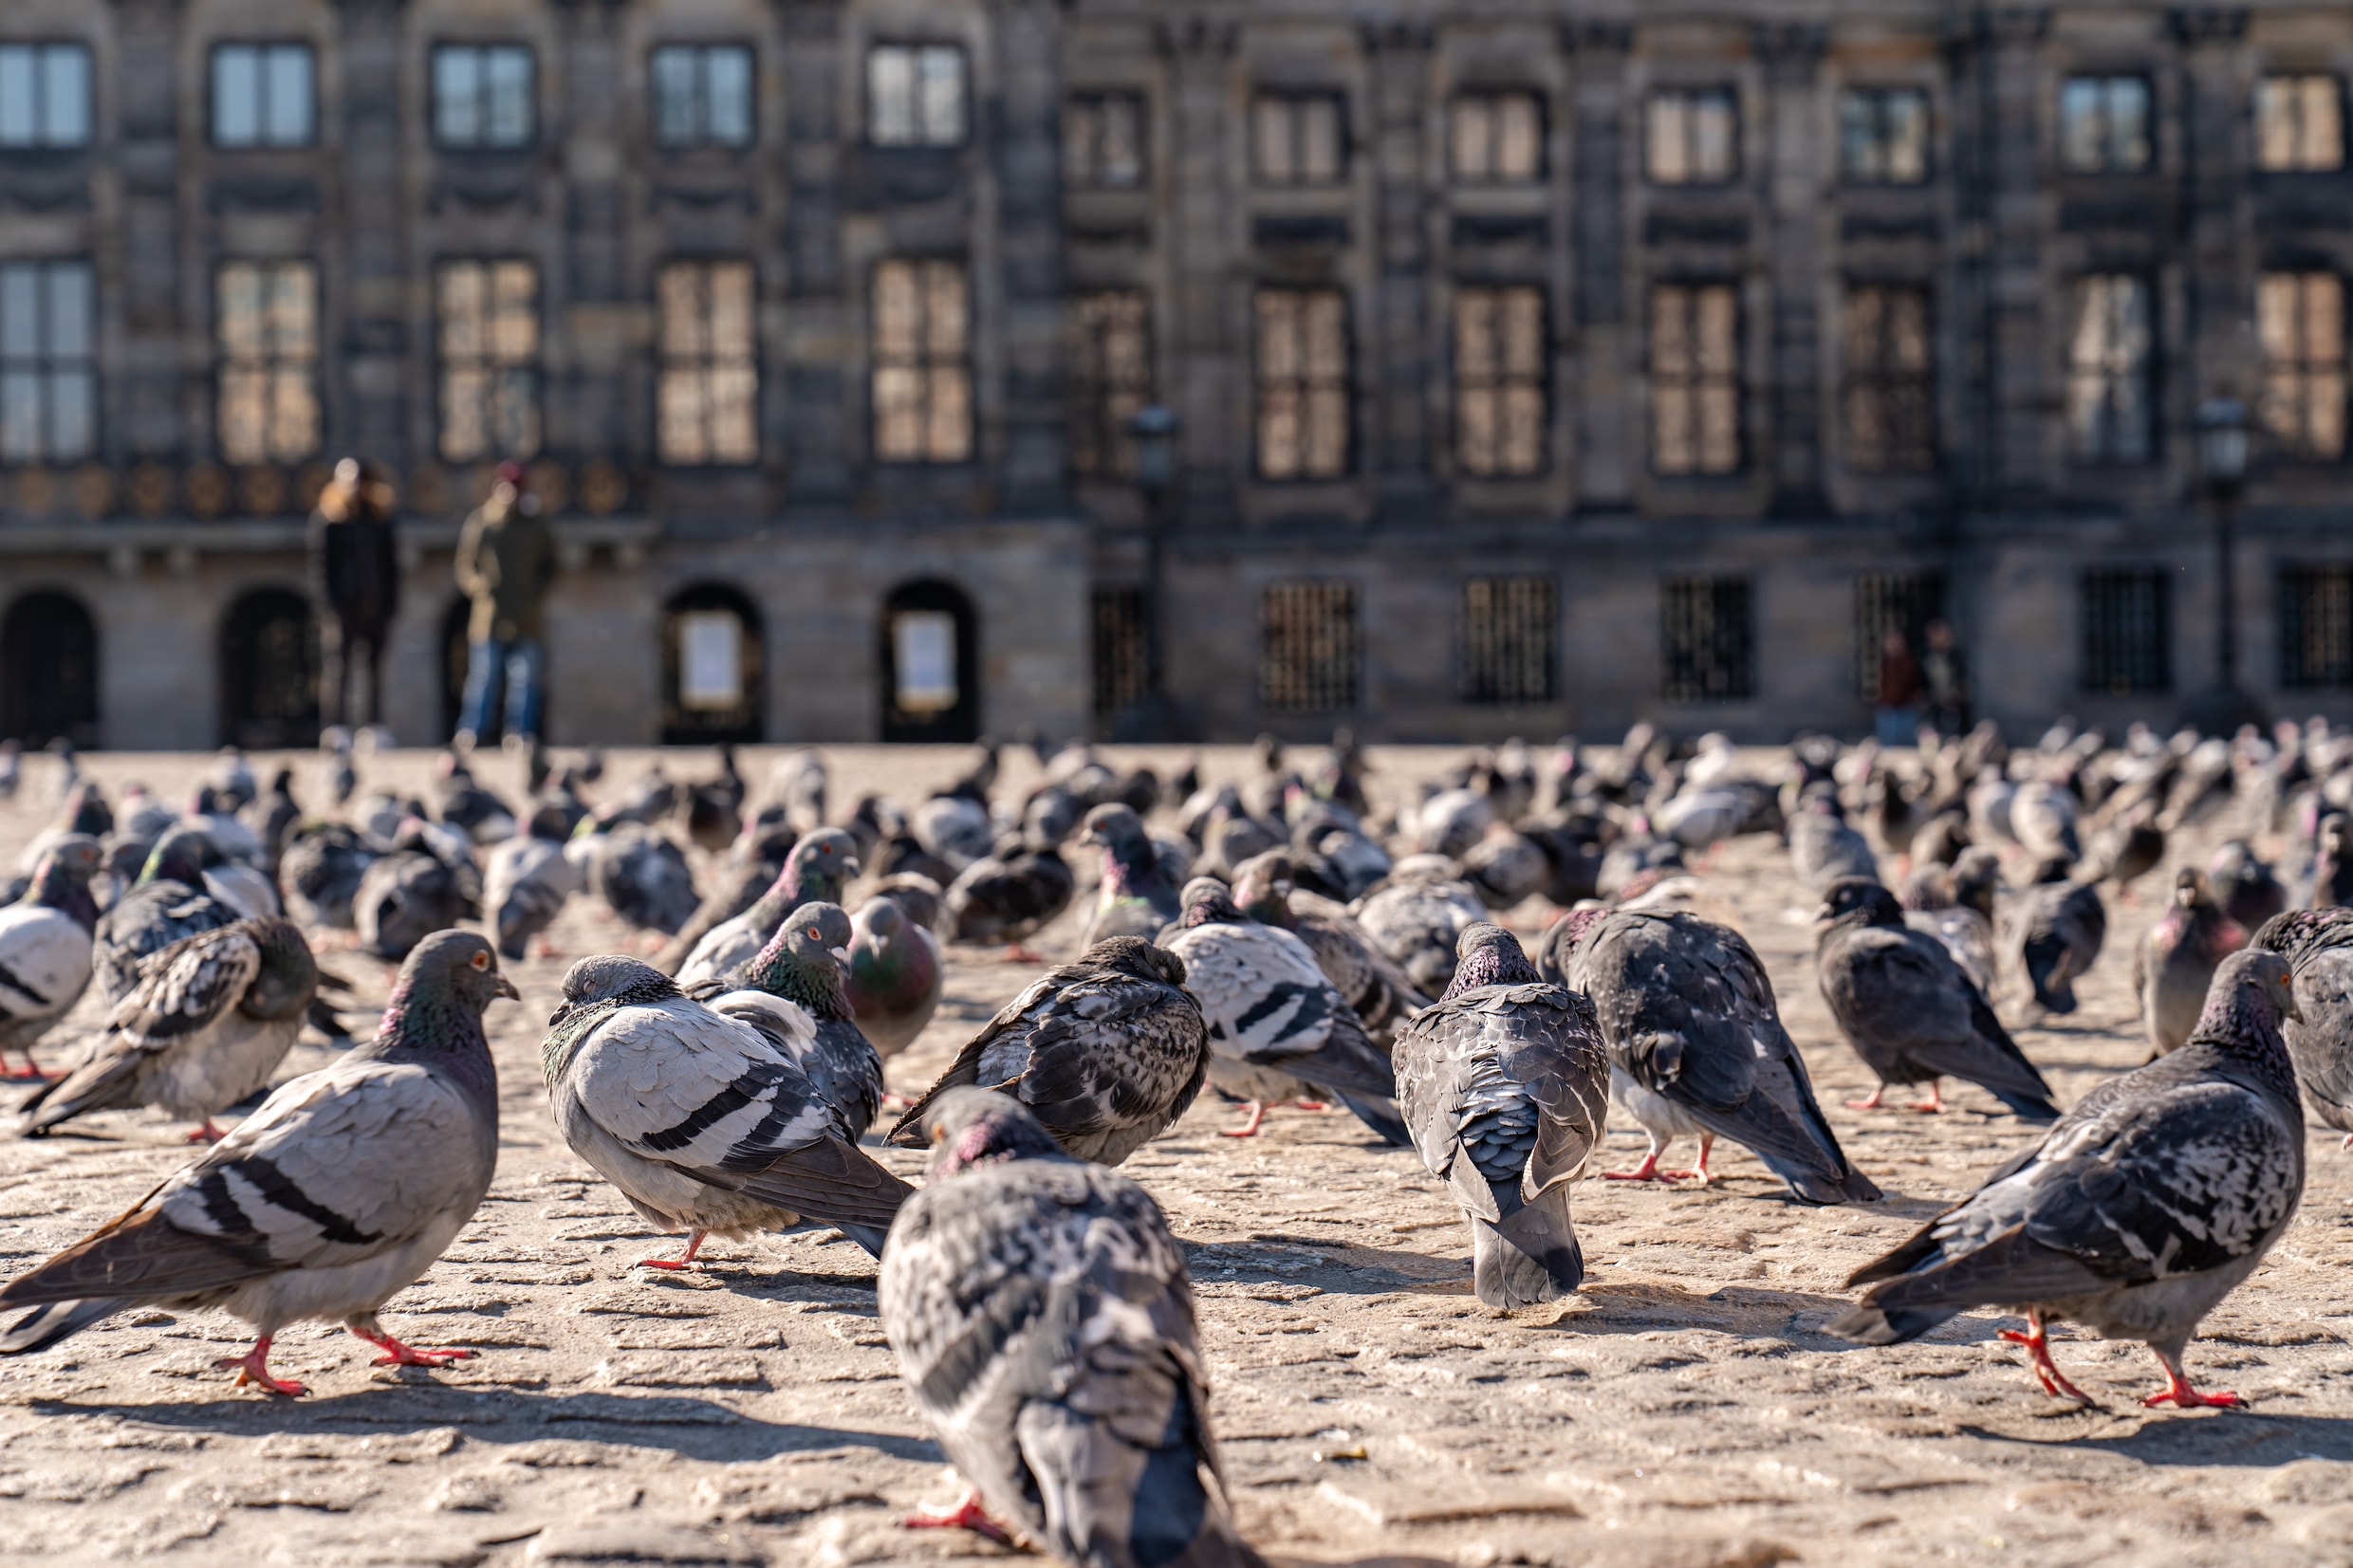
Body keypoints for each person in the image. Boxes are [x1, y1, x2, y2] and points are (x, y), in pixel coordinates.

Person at [453, 461, 557, 751]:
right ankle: (472, 730)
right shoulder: (482, 522)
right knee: (483, 678)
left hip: (526, 616)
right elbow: (465, 566)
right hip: (489, 616)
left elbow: (551, 565)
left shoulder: (536, 525)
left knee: (524, 679)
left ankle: (519, 732)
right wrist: (480, 587)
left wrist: (535, 590)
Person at [307, 457, 400, 744]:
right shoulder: (329, 521)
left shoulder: (380, 520)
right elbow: (322, 568)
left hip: (376, 603)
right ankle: (336, 727)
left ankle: (373, 726)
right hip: (343, 606)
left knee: (373, 669)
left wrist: (390, 603)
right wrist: (330, 605)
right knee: (339, 667)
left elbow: (390, 565)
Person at [1874, 627, 1926, 747]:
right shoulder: (1885, 664)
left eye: (1897, 642)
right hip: (1887, 708)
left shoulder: (1910, 663)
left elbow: (1919, 684)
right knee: (1888, 744)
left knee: (1907, 744)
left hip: (1906, 708)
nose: (1893, 646)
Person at [1921, 618, 1971, 736]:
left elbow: (1963, 679)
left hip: (1956, 704)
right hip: (1936, 705)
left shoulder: (1957, 655)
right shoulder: (1926, 655)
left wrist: (1955, 696)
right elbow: (1924, 681)